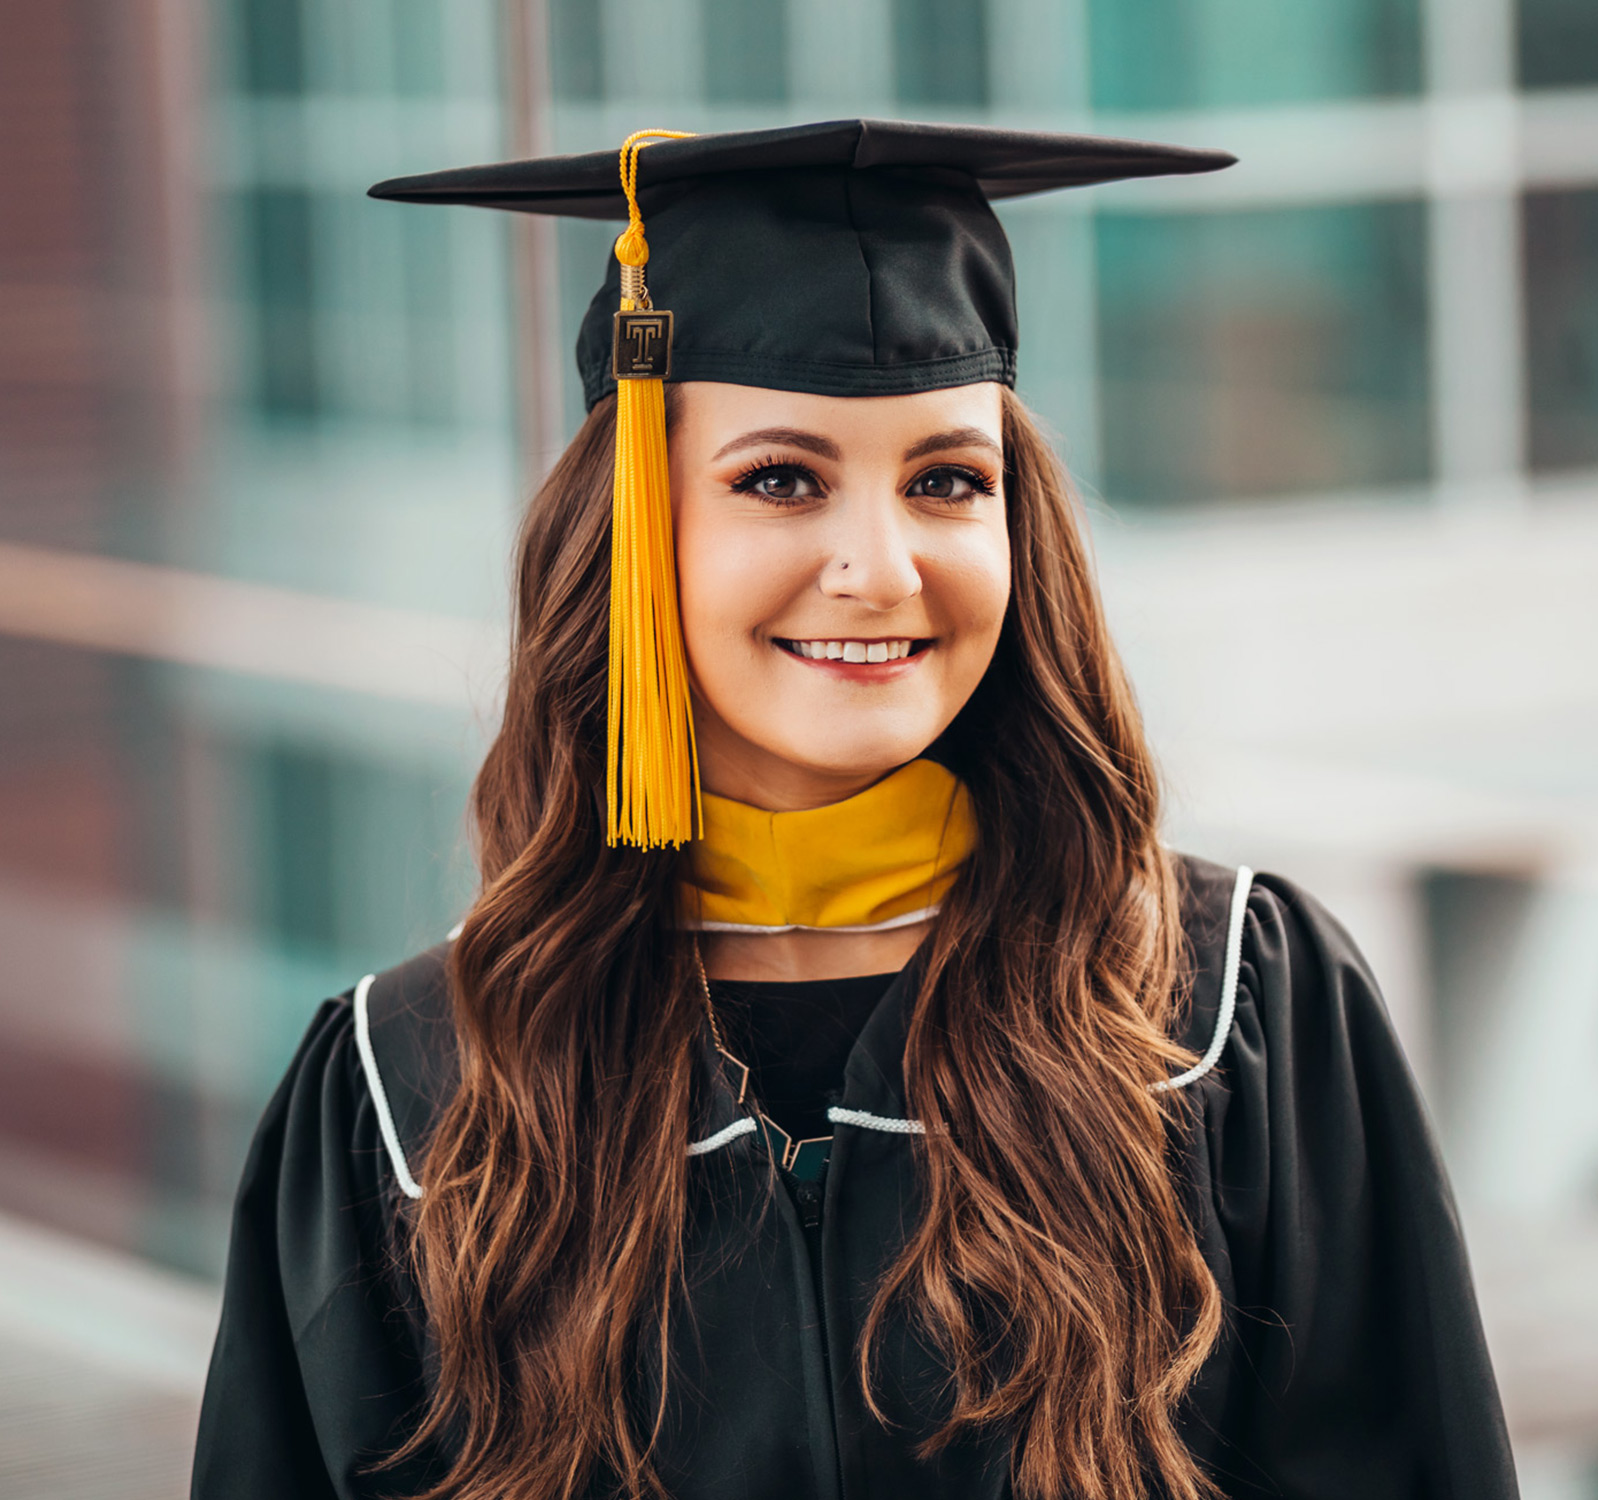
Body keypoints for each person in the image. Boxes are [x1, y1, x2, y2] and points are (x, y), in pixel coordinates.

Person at [191, 120, 1518, 1500]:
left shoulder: (1228, 1007)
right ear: (632, 531)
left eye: (947, 481)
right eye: (780, 480)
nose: (879, 570)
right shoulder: (408, 1093)